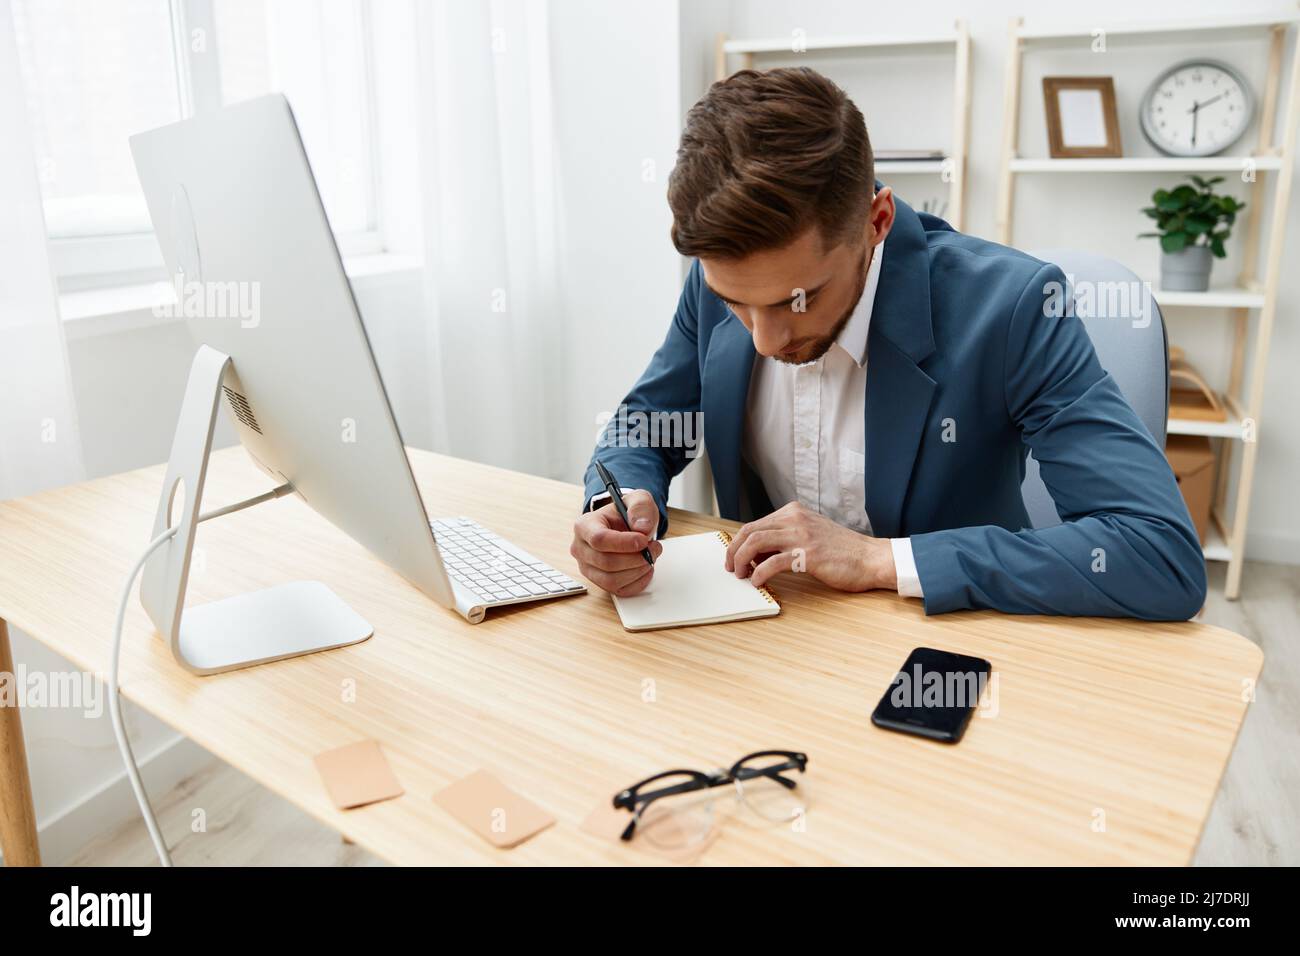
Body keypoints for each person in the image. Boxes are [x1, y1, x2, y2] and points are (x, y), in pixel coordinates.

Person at [571, 67, 1205, 620]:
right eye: (738, 304)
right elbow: (649, 427)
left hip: (948, 651)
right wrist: (621, 503)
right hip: (772, 642)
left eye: (799, 300)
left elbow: (1157, 552)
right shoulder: (721, 283)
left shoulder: (1015, 307)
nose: (764, 340)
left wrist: (879, 560)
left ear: (877, 222)